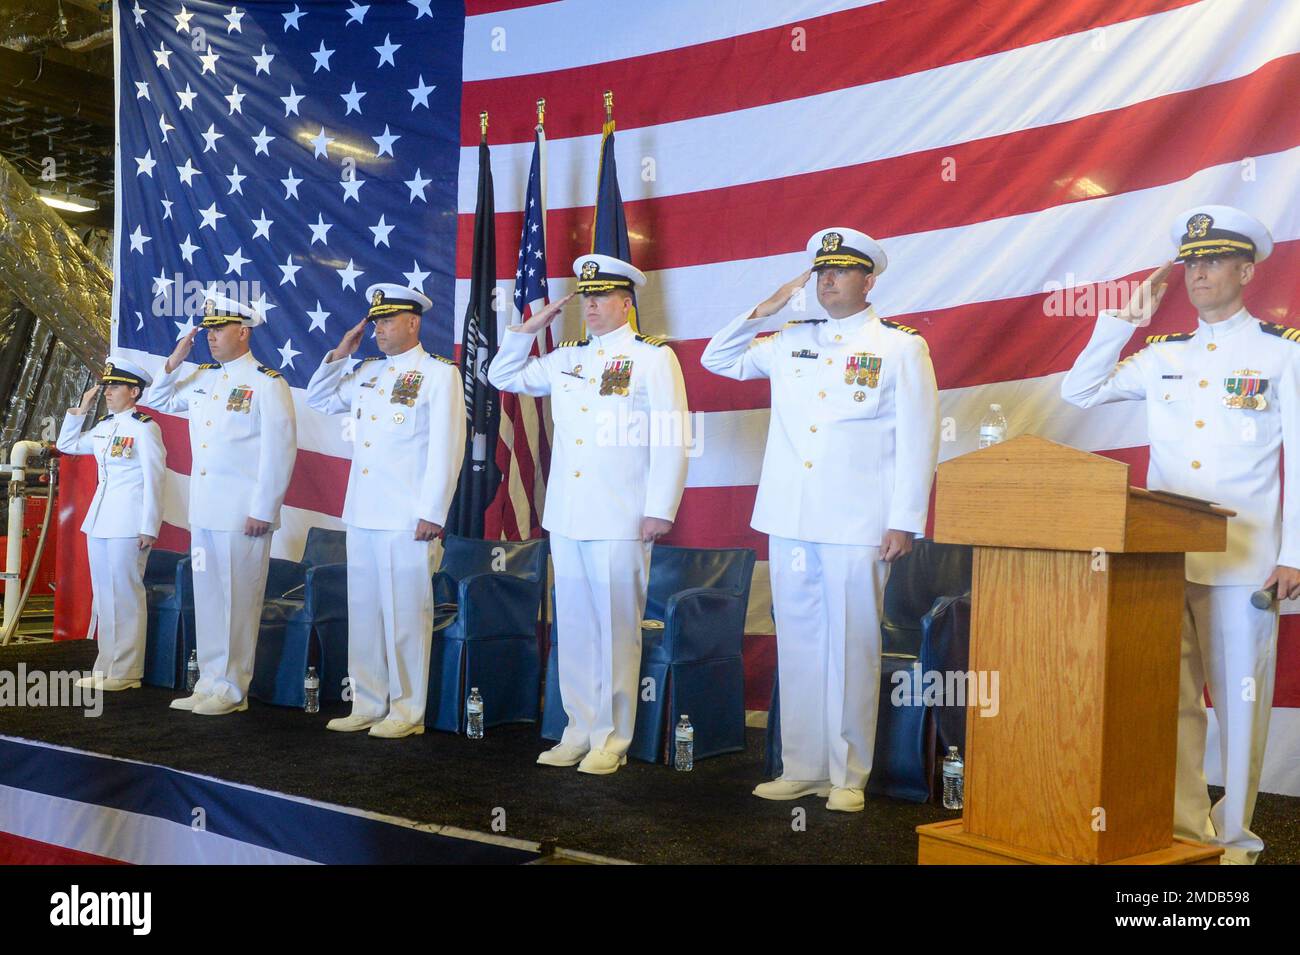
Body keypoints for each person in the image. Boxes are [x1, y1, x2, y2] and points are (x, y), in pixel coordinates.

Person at [1060, 205, 1296, 864]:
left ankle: (1237, 834)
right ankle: (1186, 825)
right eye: (1192, 261)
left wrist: (1296, 552)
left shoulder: (1281, 352)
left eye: (1215, 259)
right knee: (1171, 700)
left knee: (1241, 702)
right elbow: (1079, 391)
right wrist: (1120, 319)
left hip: (1246, 556)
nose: (1199, 272)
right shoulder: (1163, 354)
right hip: (1163, 558)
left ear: (1247, 269)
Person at [701, 227, 940, 812]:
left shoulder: (900, 347)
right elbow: (717, 359)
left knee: (853, 645)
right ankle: (802, 765)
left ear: (869, 280)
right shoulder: (789, 338)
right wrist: (765, 308)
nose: (826, 279)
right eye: (820, 271)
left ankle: (848, 774)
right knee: (802, 643)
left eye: (840, 270)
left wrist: (903, 520)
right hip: (791, 517)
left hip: (859, 522)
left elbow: (918, 440)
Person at [488, 254, 689, 774]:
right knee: (575, 629)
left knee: (617, 628)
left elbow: (672, 438)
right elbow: (502, 376)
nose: (592, 305)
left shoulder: (651, 358)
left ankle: (612, 739)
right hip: (569, 515)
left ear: (627, 303)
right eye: (586, 297)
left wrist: (660, 508)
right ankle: (577, 728)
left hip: (623, 516)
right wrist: (526, 330)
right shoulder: (568, 357)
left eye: (602, 297)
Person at [305, 284, 465, 739]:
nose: (378, 328)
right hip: (363, 511)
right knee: (366, 611)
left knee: (406, 614)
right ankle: (368, 701)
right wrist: (340, 353)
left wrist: (433, 512)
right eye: (375, 321)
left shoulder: (438, 375)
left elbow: (446, 450)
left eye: (388, 320)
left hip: (407, 516)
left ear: (413, 323)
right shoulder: (366, 370)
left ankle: (407, 710)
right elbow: (319, 399)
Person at [147, 295, 297, 716]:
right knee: (210, 598)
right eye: (208, 329)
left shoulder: (267, 383)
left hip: (242, 513)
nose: (211, 337)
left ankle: (233, 690)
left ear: (243, 332)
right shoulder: (202, 376)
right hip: (206, 510)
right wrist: (174, 361)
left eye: (219, 329)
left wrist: (264, 510)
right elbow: (159, 400)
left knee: (238, 600)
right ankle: (210, 680)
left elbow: (279, 452)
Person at [58, 357, 165, 691]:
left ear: (134, 391)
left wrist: (149, 525)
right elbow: (67, 445)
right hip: (100, 522)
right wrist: (79, 410)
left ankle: (127, 671)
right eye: (106, 385)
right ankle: (107, 665)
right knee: (105, 597)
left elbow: (155, 479)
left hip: (129, 524)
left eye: (114, 386)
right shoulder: (105, 426)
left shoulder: (144, 427)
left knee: (125, 595)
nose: (107, 391)